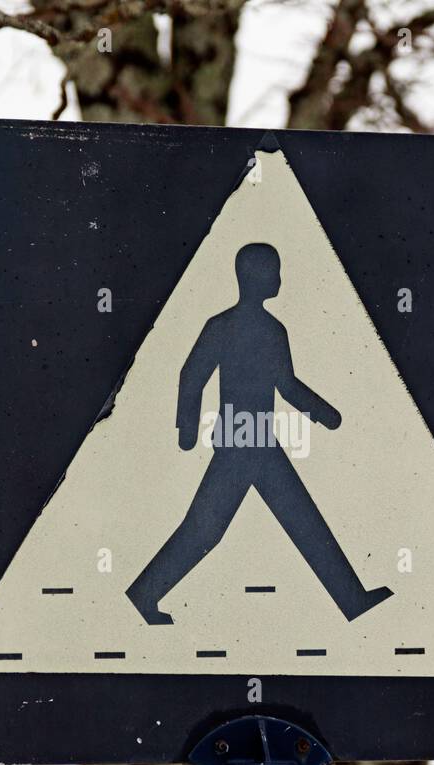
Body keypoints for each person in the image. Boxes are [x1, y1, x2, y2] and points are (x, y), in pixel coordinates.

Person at [126, 242, 393, 625]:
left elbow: (265, 384)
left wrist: (321, 411)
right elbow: (199, 376)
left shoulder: (242, 327)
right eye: (275, 272)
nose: (280, 279)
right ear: (258, 279)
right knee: (209, 530)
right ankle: (143, 594)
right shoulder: (251, 328)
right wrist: (187, 428)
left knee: (293, 523)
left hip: (253, 443)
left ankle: (352, 600)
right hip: (243, 446)